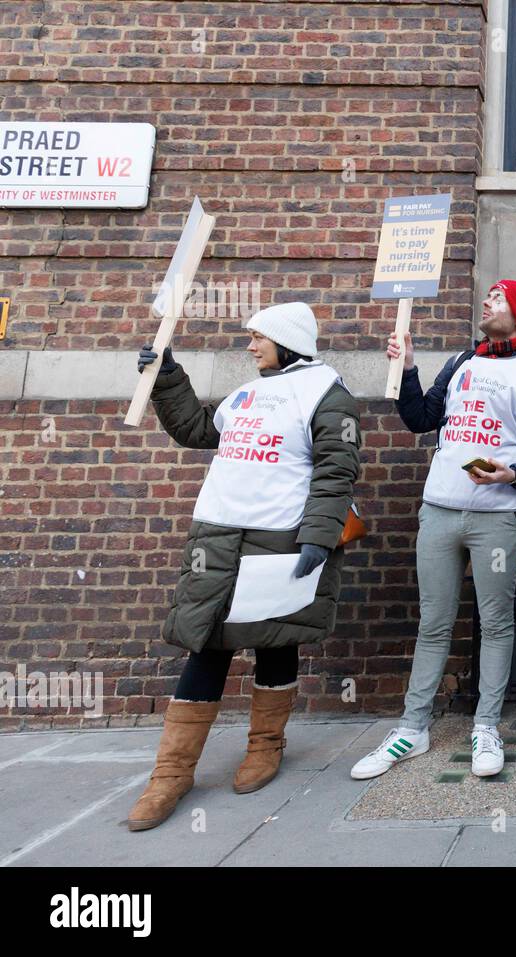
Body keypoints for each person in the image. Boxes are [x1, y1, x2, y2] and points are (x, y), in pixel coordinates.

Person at [127, 302, 362, 831]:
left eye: (258, 338)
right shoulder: (248, 392)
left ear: (287, 341)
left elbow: (337, 470)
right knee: (206, 644)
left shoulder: (327, 394)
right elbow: (196, 430)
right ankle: (170, 774)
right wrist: (167, 376)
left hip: (279, 538)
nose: (251, 346)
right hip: (218, 536)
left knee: (274, 642)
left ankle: (266, 746)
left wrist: (319, 539)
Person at [350, 280, 516, 781]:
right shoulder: (458, 363)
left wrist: (513, 474)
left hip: (497, 516)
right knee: (434, 623)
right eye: (488, 295)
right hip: (439, 510)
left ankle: (486, 726)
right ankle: (413, 728)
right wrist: (407, 367)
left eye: (498, 298)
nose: (487, 302)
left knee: (494, 622)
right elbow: (419, 418)